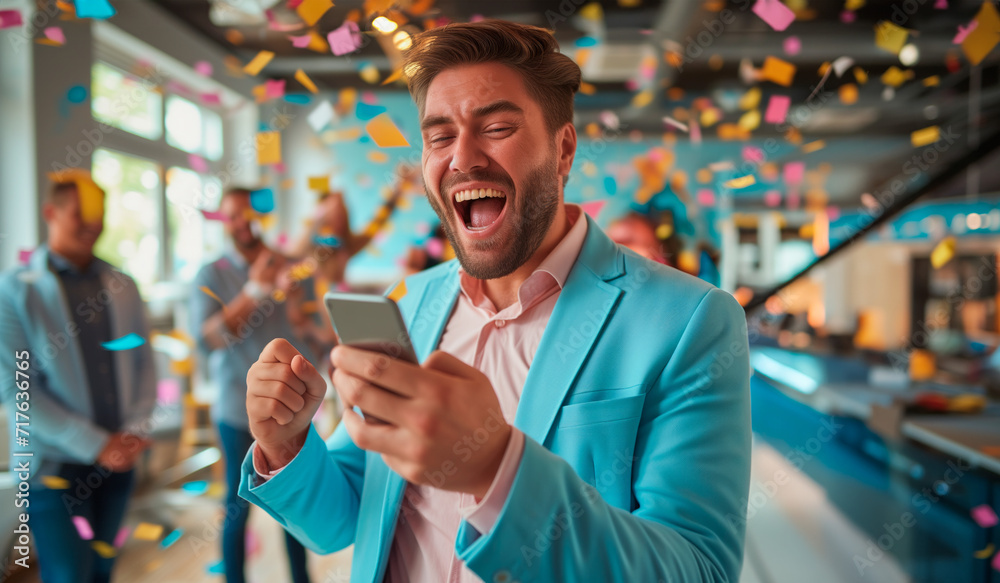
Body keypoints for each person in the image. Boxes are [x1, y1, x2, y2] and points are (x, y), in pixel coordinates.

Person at [240, 20, 751, 583]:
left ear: (562, 149)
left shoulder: (691, 320)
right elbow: (344, 517)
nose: (462, 158)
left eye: (497, 127)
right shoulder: (407, 303)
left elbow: (699, 570)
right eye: (439, 136)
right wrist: (287, 447)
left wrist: (498, 471)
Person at [0, 174, 157, 583]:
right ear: (50, 212)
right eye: (80, 214)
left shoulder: (123, 284)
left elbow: (144, 363)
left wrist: (134, 430)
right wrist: (97, 444)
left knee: (102, 569)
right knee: (68, 574)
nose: (93, 224)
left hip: (118, 463)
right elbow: (18, 391)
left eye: (99, 215)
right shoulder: (15, 290)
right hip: (51, 466)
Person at [189, 187, 312, 583]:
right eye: (232, 216)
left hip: (290, 411)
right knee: (237, 506)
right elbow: (207, 341)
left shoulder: (292, 266)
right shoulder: (210, 275)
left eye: (248, 214)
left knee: (292, 508)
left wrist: (294, 302)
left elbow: (310, 340)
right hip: (235, 410)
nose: (242, 223)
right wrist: (256, 290)